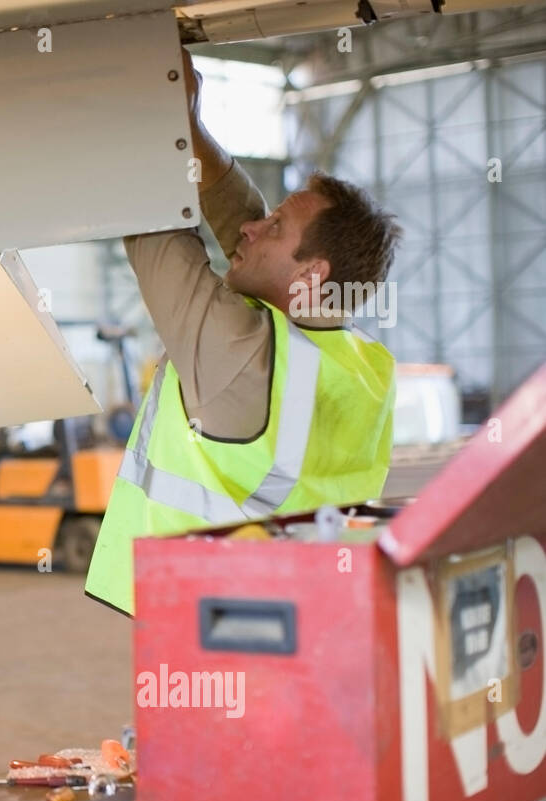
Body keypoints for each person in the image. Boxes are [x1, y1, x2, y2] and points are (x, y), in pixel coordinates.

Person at [85, 49, 402, 616]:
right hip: (301, 613)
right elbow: (247, 226)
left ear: (312, 273)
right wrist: (190, 128)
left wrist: (136, 102)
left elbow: (150, 225)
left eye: (276, 226)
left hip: (205, 623)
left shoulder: (239, 354)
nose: (252, 228)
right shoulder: (359, 360)